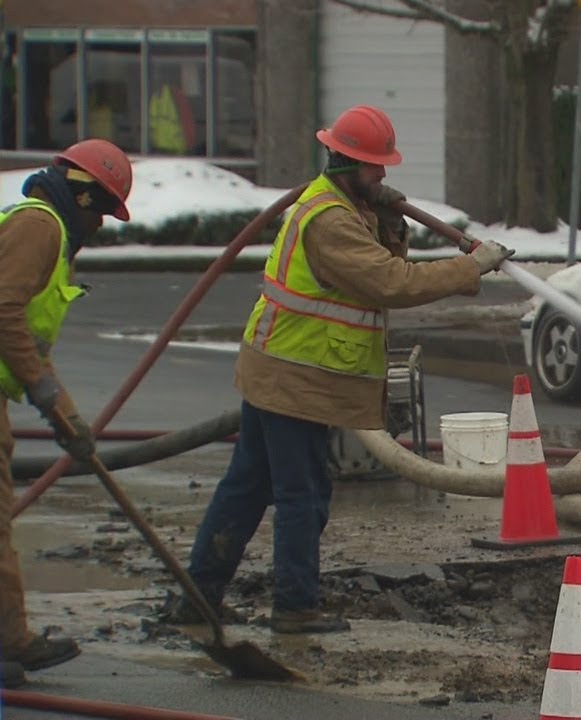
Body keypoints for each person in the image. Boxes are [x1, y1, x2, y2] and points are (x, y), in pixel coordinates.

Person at [171, 105, 514, 634]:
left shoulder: (341, 206)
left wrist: (393, 222)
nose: (383, 175)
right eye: (376, 167)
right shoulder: (329, 220)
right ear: (347, 161)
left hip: (284, 370)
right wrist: (470, 266)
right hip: (296, 376)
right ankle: (295, 606)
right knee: (302, 493)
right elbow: (390, 283)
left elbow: (379, 265)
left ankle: (200, 598)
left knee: (247, 486)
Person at [0, 138, 135, 687]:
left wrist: (66, 417)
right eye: (102, 210)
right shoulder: (42, 226)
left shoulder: (45, 231)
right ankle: (9, 641)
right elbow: (4, 309)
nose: (101, 226)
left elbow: (32, 339)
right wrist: (42, 392)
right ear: (81, 197)